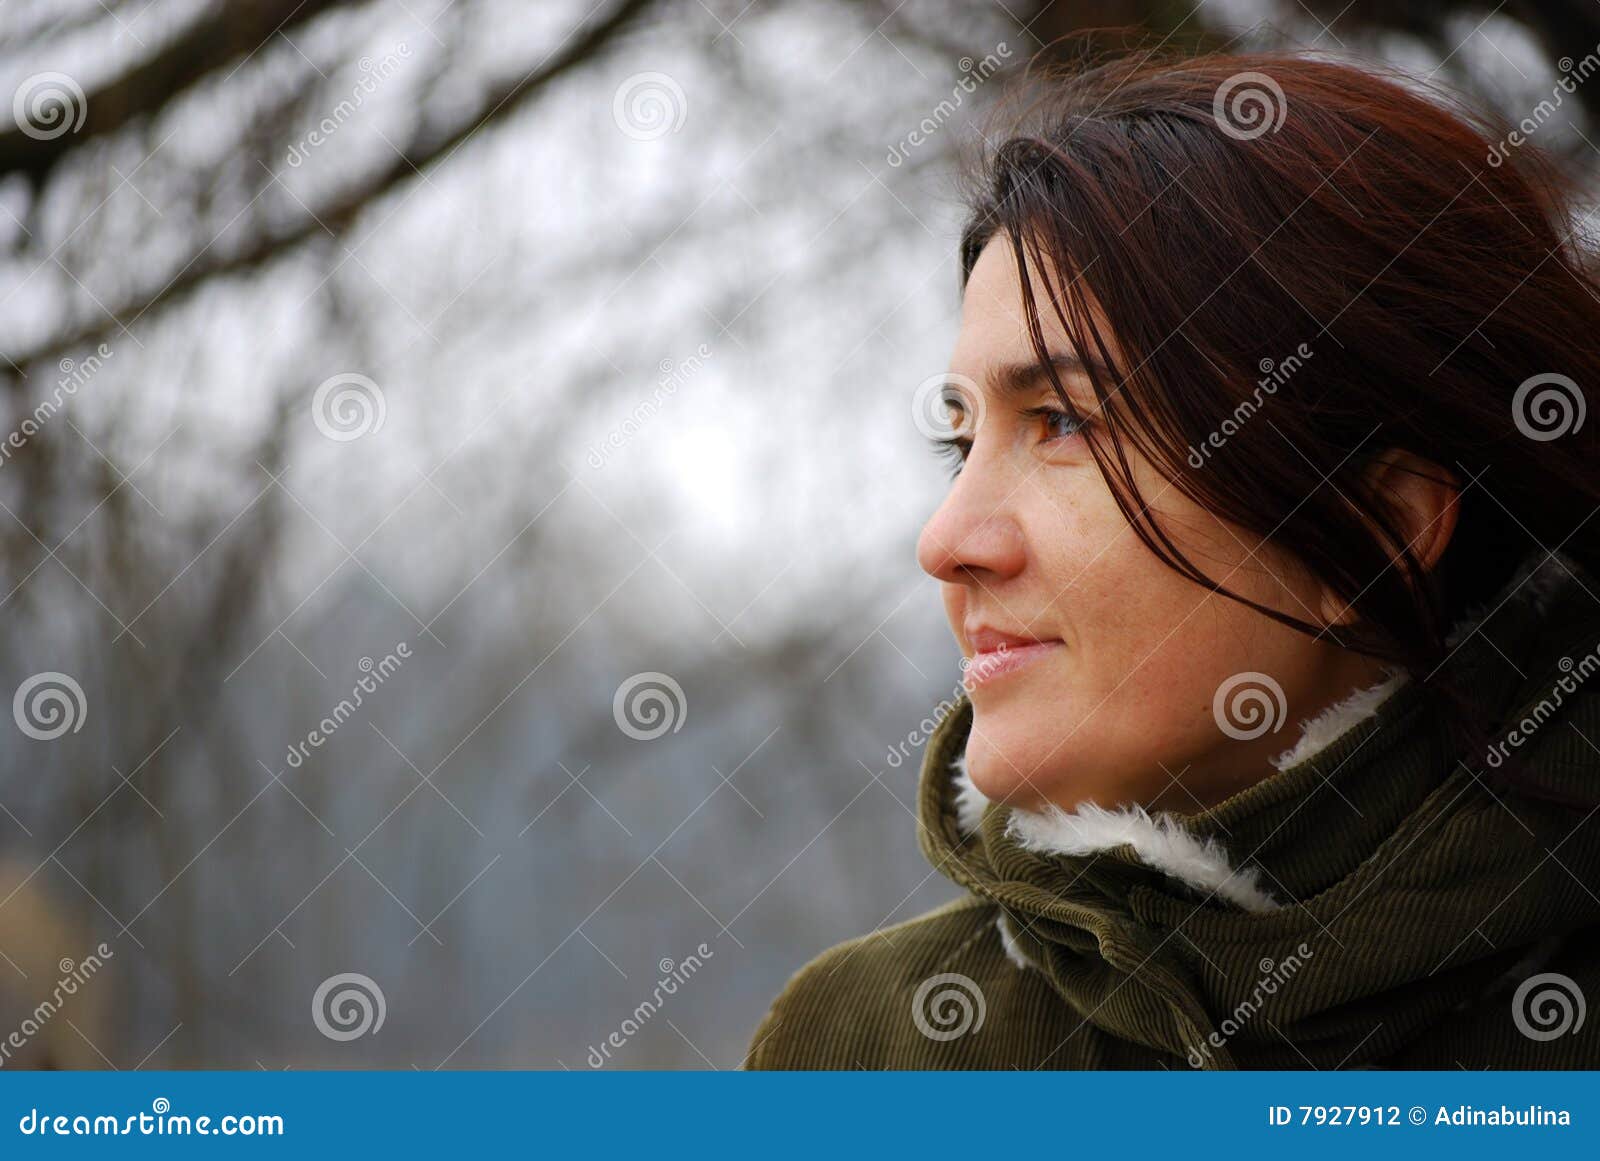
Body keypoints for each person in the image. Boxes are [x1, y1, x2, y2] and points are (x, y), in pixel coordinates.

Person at [746, 46, 1600, 1069]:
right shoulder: (862, 1049)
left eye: (1061, 422)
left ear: (1380, 528)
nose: (945, 544)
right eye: (959, 446)